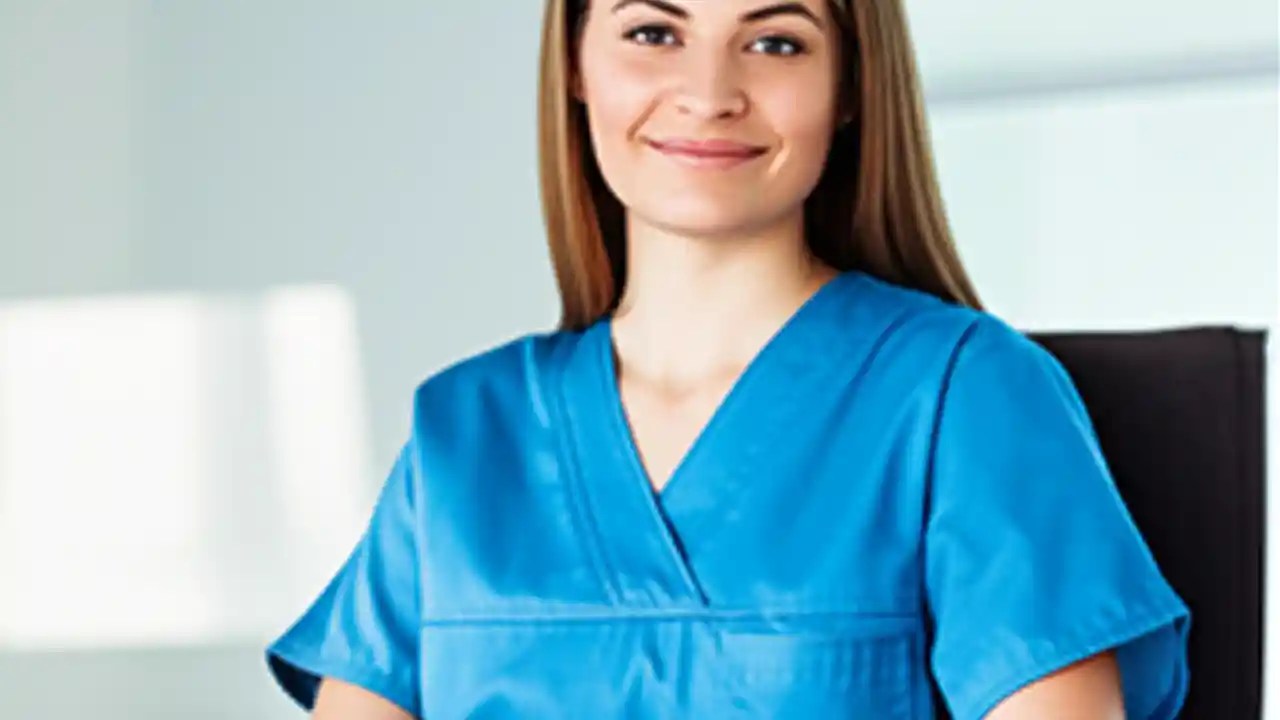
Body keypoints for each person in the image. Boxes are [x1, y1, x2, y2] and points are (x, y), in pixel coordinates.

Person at [265, 0, 1191, 717]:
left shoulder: (964, 395)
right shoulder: (466, 433)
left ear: (852, 85)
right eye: (653, 32)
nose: (709, 93)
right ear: (578, 63)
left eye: (776, 41)